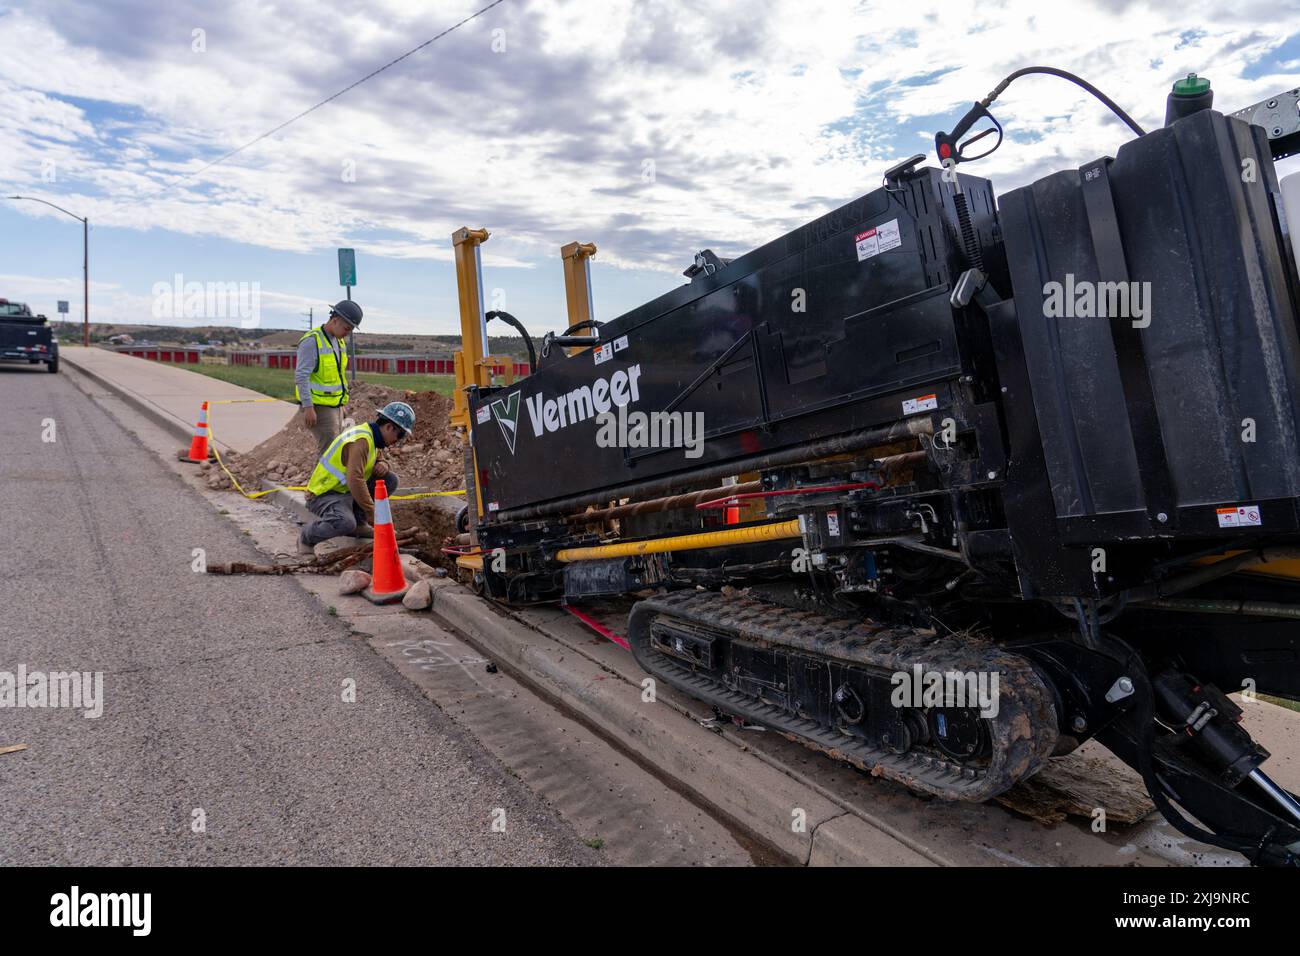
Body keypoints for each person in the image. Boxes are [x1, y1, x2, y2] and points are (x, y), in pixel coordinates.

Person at [298, 401, 415, 554]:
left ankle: (359, 524)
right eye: (400, 435)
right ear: (389, 427)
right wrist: (372, 513)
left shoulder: (373, 438)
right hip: (324, 494)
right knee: (345, 522)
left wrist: (383, 464)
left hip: (344, 491)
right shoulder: (362, 440)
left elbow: (377, 458)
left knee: (389, 480)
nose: (397, 441)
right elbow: (355, 479)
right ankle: (306, 537)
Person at [295, 300, 363, 458]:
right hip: (318, 406)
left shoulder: (338, 342)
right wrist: (308, 407)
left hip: (334, 405)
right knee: (329, 452)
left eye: (350, 330)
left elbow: (337, 376)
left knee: (335, 450)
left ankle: (328, 482)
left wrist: (340, 405)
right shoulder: (312, 341)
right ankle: (321, 483)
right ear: (335, 320)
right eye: (346, 328)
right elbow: (301, 376)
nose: (347, 333)